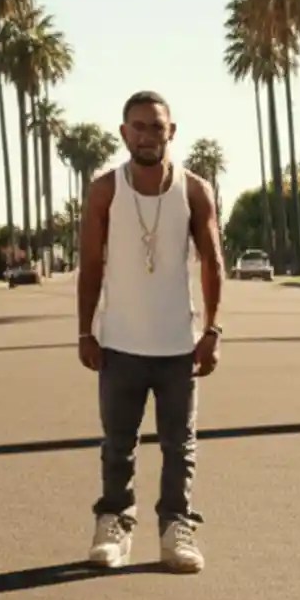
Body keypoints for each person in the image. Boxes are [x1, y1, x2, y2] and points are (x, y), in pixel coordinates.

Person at [76, 90, 224, 574]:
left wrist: (212, 330)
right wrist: (85, 333)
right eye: (138, 127)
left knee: (179, 446)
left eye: (156, 127)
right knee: (118, 443)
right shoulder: (105, 190)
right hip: (119, 343)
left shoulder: (194, 189)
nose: (147, 136)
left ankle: (175, 530)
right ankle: (115, 525)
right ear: (124, 133)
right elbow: (91, 265)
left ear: (171, 132)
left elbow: (213, 263)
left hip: (178, 345)